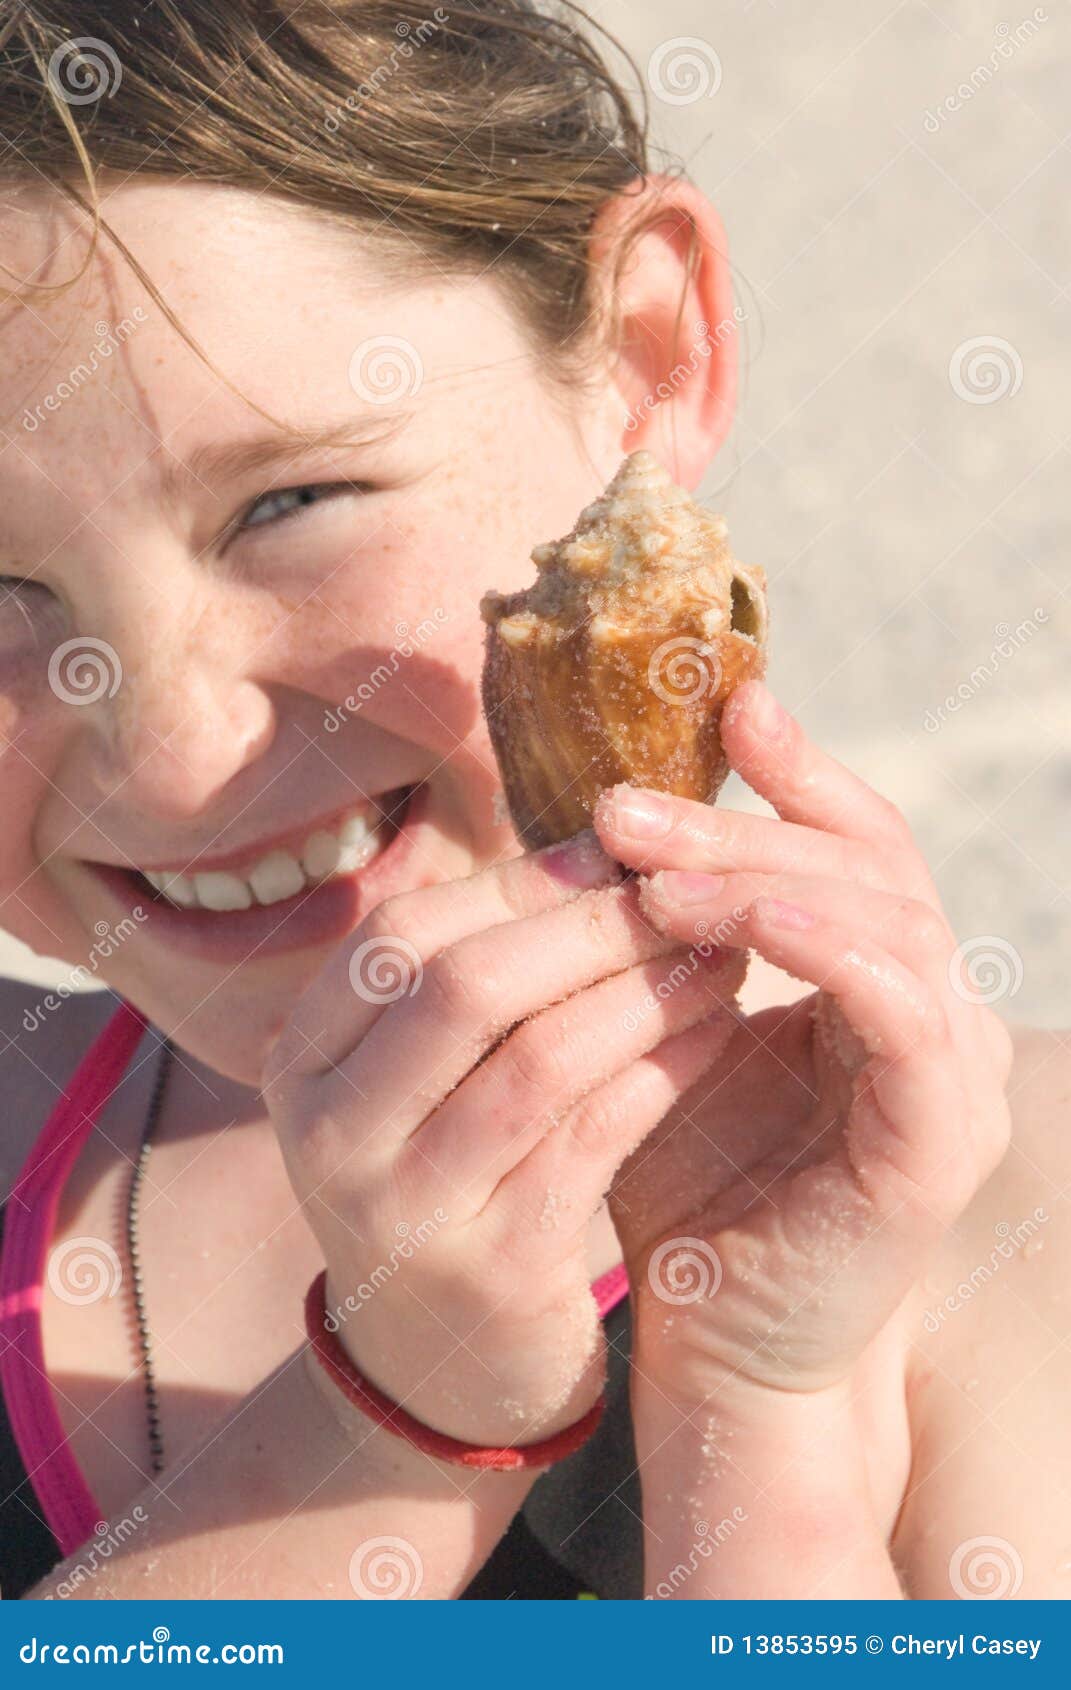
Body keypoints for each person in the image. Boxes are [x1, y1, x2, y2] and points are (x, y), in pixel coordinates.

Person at [0, 0, 1064, 1601]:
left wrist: (761, 1408)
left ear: (646, 358)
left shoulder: (1004, 1207)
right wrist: (396, 1411)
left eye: (292, 500)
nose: (168, 753)